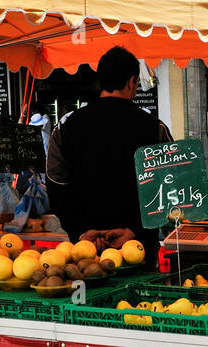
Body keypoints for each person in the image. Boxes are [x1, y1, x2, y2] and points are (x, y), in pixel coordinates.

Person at [47, 46, 173, 259]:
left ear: (101, 79)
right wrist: (135, 230)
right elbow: (168, 185)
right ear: (132, 81)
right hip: (138, 249)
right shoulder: (154, 127)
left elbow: (55, 183)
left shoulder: (67, 126)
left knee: (92, 292)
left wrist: (80, 231)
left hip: (85, 251)